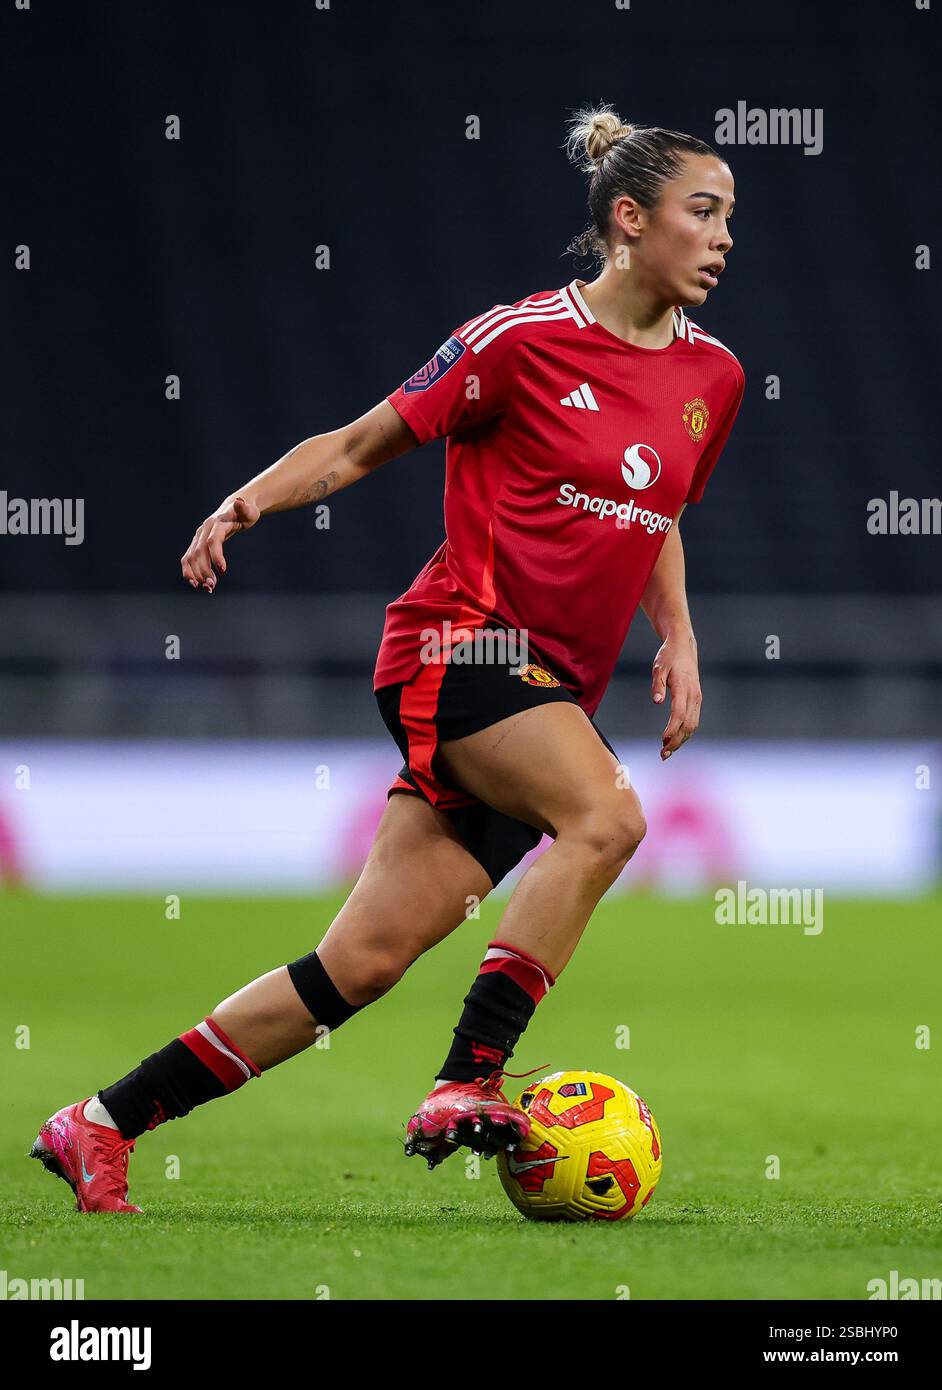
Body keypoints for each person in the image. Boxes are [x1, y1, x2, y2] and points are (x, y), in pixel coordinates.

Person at [30, 104, 743, 1212]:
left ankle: (100, 1121)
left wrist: (682, 636)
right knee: (607, 818)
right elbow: (365, 440)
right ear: (628, 219)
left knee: (353, 968)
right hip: (459, 644)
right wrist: (251, 499)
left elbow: (659, 510)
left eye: (729, 216)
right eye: (703, 212)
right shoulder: (517, 342)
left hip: (547, 688)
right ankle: (468, 1078)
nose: (722, 236)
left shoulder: (715, 380)